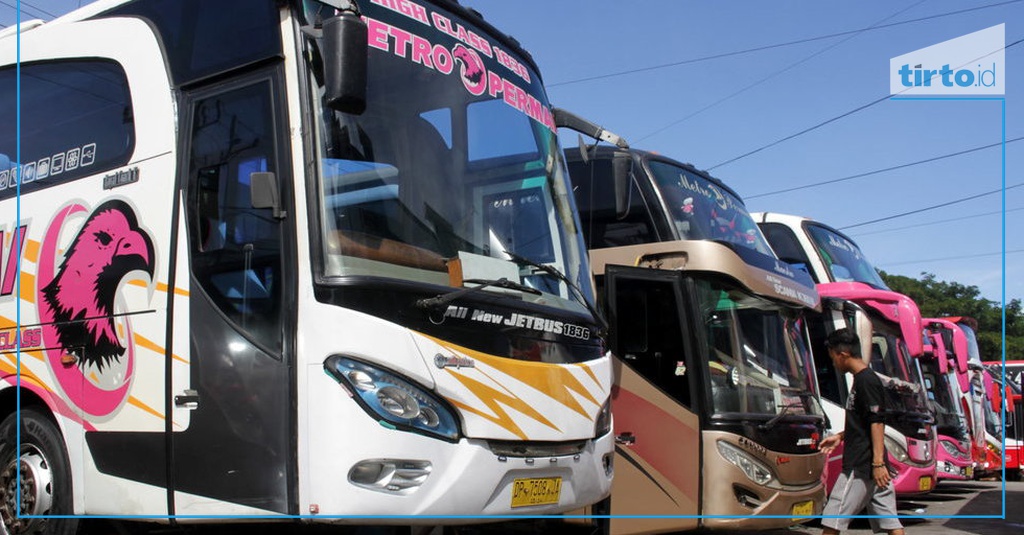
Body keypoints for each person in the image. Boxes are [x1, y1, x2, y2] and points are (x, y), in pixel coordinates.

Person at [818, 327, 905, 535]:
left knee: (832, 519)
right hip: (872, 467)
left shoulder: (867, 381)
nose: (833, 363)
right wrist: (839, 437)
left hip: (861, 465)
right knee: (891, 523)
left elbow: (877, 422)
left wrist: (877, 463)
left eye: (833, 357)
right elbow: (864, 421)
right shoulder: (861, 380)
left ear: (843, 354)